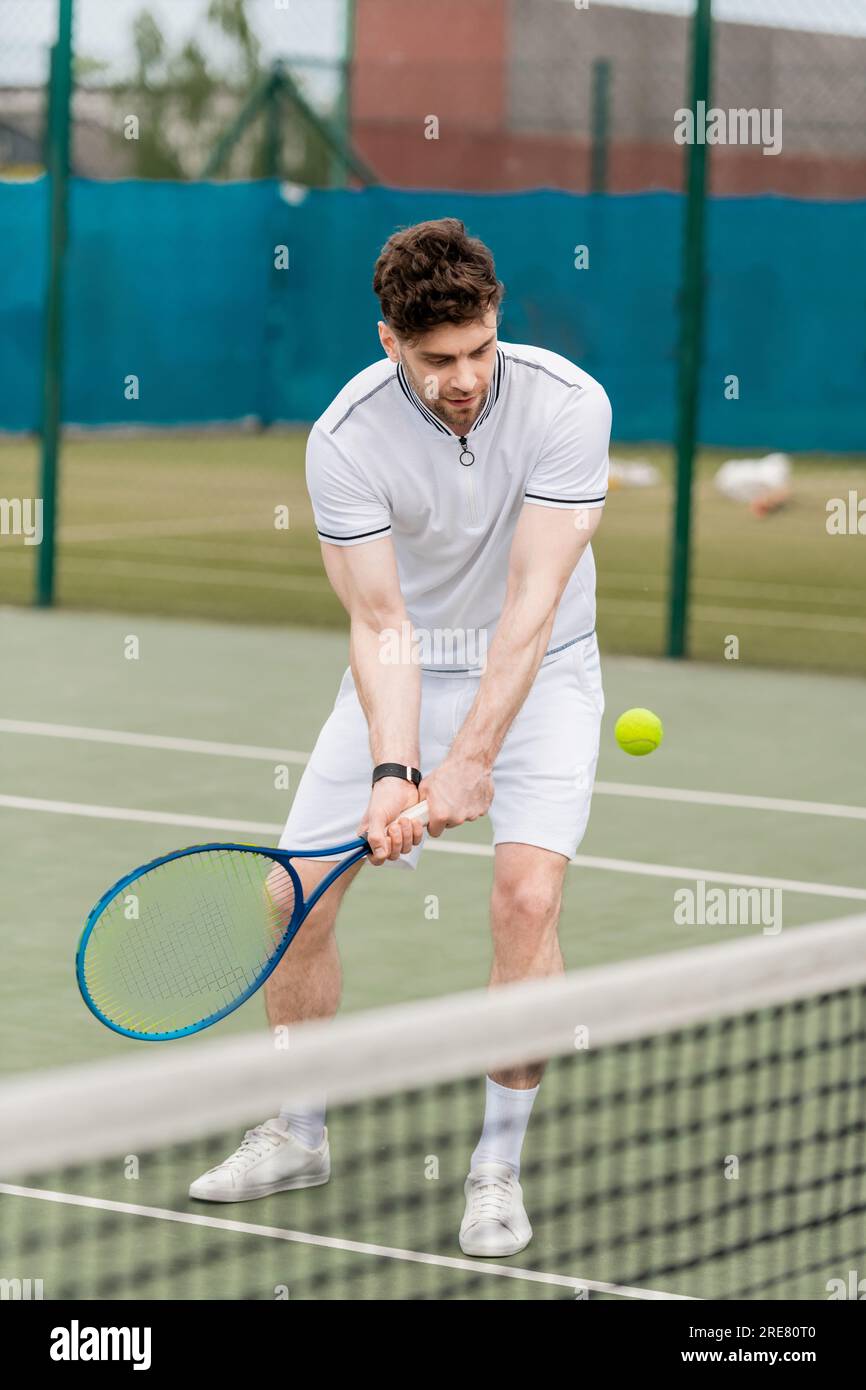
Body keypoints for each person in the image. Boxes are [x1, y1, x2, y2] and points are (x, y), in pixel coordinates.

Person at [189, 217, 611, 1257]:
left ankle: (496, 1166)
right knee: (289, 894)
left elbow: (532, 603)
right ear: (389, 341)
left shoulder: (569, 405)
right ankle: (297, 1128)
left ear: (496, 317)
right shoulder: (345, 437)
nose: (463, 378)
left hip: (545, 671)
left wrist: (469, 759)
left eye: (478, 348)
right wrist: (395, 768)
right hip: (404, 665)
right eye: (435, 359)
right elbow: (382, 623)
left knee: (527, 900)